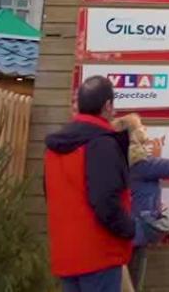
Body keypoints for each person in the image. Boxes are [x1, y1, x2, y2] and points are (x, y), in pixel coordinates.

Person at [44, 76, 135, 292]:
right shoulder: (102, 143)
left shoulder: (53, 148)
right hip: (99, 255)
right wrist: (130, 228)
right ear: (108, 106)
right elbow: (105, 202)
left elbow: (50, 194)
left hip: (66, 255)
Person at [117, 113, 169, 291]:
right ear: (134, 135)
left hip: (120, 231)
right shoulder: (142, 165)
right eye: (141, 126)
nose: (145, 129)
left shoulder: (119, 162)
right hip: (136, 234)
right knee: (132, 283)